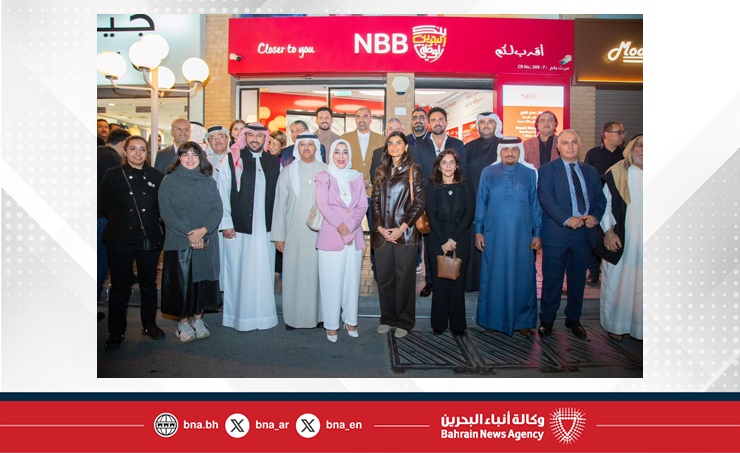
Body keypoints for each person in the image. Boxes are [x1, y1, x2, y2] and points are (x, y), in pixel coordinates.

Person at [537, 129, 606, 338]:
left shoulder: (590, 171)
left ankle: (573, 319)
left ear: (579, 144)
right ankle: (547, 320)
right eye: (565, 142)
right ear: (558, 147)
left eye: (574, 142)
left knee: (577, 281)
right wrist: (568, 219)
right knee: (552, 280)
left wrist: (595, 216)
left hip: (583, 235)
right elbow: (546, 198)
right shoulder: (547, 170)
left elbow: (600, 199)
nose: (570, 146)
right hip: (557, 234)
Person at [98, 135, 165, 350]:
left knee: (148, 284)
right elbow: (104, 204)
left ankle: (149, 325)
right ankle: (116, 332)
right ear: (125, 151)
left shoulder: (156, 176)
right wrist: (122, 221)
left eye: (142, 149)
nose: (138, 153)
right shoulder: (113, 175)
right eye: (133, 149)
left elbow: (161, 207)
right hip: (120, 239)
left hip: (148, 239)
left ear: (147, 153)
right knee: (120, 286)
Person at [474, 137, 542, 336]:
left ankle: (523, 321)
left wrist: (537, 234)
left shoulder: (530, 173)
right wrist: (478, 231)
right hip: (494, 236)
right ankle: (492, 320)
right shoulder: (488, 172)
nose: (510, 153)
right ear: (500, 152)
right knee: (494, 277)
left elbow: (535, 206)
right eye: (506, 150)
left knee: (523, 277)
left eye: (514, 150)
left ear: (520, 152)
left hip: (522, 237)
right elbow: (481, 203)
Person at [218, 123, 281, 331]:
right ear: (244, 137)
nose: (255, 139)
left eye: (259, 136)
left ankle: (264, 317)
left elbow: (280, 197)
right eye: (251, 135)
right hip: (239, 228)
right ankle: (238, 318)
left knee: (264, 272)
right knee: (239, 272)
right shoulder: (231, 159)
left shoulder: (274, 162)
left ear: (265, 139)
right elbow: (222, 193)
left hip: (266, 229)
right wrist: (226, 223)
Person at [159, 142, 223, 343]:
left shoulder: (208, 181)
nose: (190, 158)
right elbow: (167, 213)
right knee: (182, 284)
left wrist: (203, 231)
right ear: (179, 158)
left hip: (205, 241)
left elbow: (217, 210)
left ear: (200, 158)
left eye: (194, 154)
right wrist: (192, 236)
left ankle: (198, 320)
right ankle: (183, 323)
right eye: (185, 154)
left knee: (201, 284)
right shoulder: (169, 181)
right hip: (179, 241)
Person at [371, 131, 425, 338]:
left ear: (406, 146)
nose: (394, 146)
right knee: (385, 279)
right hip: (383, 234)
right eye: (391, 143)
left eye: (398, 142)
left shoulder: (413, 169)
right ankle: (387, 318)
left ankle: (404, 321)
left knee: (404, 280)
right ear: (387, 148)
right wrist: (380, 228)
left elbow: (419, 202)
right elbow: (375, 202)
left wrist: (401, 228)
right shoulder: (381, 170)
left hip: (406, 233)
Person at [272, 133, 328, 329]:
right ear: (297, 148)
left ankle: (319, 316)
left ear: (316, 147)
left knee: (318, 275)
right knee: (294, 275)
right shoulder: (288, 172)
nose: (306, 148)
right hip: (293, 233)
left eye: (310, 144)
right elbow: (280, 206)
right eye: (302, 144)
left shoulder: (326, 171)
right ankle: (293, 318)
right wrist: (279, 236)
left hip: (320, 233)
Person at [315, 139, 368, 342]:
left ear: (349, 155)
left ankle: (351, 320)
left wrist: (351, 226)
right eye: (337, 152)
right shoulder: (323, 176)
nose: (341, 156)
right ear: (331, 155)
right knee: (331, 282)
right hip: (331, 237)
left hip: (354, 237)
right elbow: (323, 205)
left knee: (352, 282)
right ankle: (331, 324)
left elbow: (362, 205)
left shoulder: (357, 177)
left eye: (345, 152)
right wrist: (343, 227)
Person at [412, 106, 467, 298]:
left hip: (454, 199)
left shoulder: (457, 144)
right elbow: (417, 172)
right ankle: (430, 281)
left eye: (440, 119)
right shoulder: (421, 145)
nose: (437, 123)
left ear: (446, 122)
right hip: (430, 198)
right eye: (434, 120)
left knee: (453, 236)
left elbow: (463, 169)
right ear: (429, 124)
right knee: (431, 241)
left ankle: (452, 276)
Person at [598, 134, 643, 341]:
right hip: (623, 240)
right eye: (640, 146)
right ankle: (616, 325)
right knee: (619, 283)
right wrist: (608, 232)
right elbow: (604, 206)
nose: (644, 150)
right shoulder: (618, 172)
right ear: (631, 149)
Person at [426, 149, 475, 336]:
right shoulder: (431, 185)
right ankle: (439, 323)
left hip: (460, 240)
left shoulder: (466, 184)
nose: (448, 166)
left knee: (457, 283)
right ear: (439, 166)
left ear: (457, 166)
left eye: (451, 162)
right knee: (439, 284)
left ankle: (457, 325)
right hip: (437, 241)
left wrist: (453, 239)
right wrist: (443, 241)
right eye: (444, 162)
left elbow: (469, 213)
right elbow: (430, 214)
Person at [463, 112, 503, 292]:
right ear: (478, 126)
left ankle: (495, 283)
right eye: (483, 122)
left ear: (496, 125)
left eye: (490, 122)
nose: (486, 125)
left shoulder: (505, 146)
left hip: (498, 206)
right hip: (474, 204)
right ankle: (474, 283)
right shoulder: (468, 148)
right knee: (475, 242)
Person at [584, 121, 627, 287]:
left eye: (623, 132)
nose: (622, 135)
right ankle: (594, 270)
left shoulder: (625, 156)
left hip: (618, 202)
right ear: (606, 134)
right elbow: (586, 177)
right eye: (619, 132)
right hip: (596, 200)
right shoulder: (593, 153)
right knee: (595, 236)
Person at [97, 128, 131, 321]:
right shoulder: (112, 160)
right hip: (101, 219)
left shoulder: (95, 153)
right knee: (100, 264)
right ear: (123, 144)